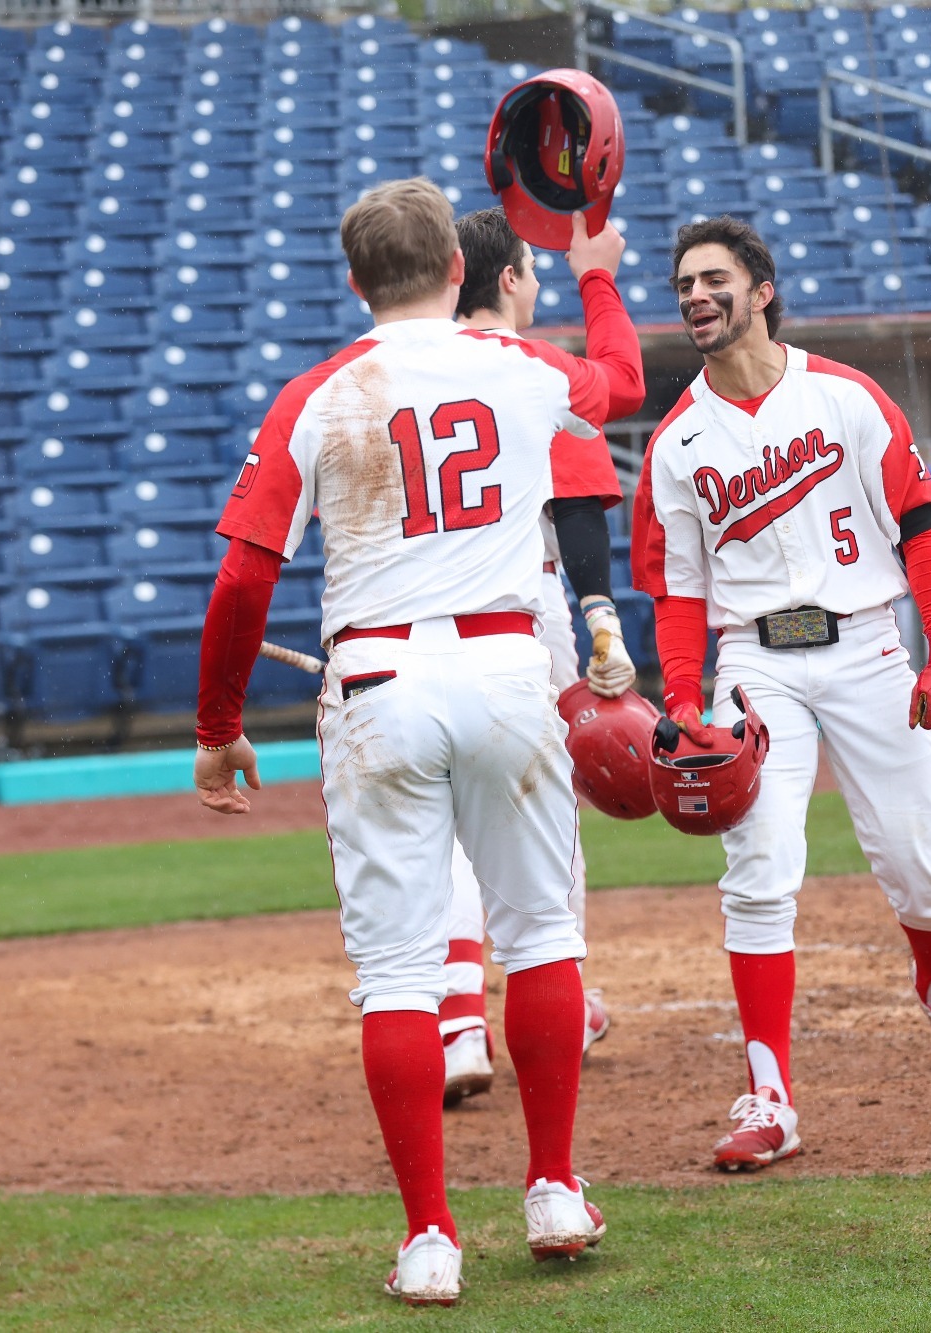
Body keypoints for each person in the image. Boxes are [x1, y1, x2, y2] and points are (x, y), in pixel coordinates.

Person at [192, 179, 641, 1303]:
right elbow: (624, 385)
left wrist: (218, 728)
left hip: (378, 681)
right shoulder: (521, 368)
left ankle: (430, 1239)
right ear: (458, 266)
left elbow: (245, 574)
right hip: (502, 669)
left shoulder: (318, 391)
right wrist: (593, 269)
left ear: (354, 281)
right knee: (539, 939)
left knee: (396, 975)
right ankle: (549, 1188)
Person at [631, 215, 931, 1173]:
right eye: (683, 285)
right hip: (755, 661)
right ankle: (771, 1096)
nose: (695, 296)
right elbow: (676, 590)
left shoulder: (845, 396)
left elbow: (923, 528)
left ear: (761, 291)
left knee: (919, 870)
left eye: (714, 279)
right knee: (759, 867)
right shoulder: (677, 442)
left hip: (870, 645)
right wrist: (681, 697)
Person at [437, 206, 643, 1105]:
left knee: (435, 818)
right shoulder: (537, 374)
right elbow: (593, 474)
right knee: (540, 811)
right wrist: (595, 271)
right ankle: (560, 996)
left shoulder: (386, 371)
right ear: (513, 278)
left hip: (408, 619)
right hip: (521, 613)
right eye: (530, 268)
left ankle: (453, 1018)